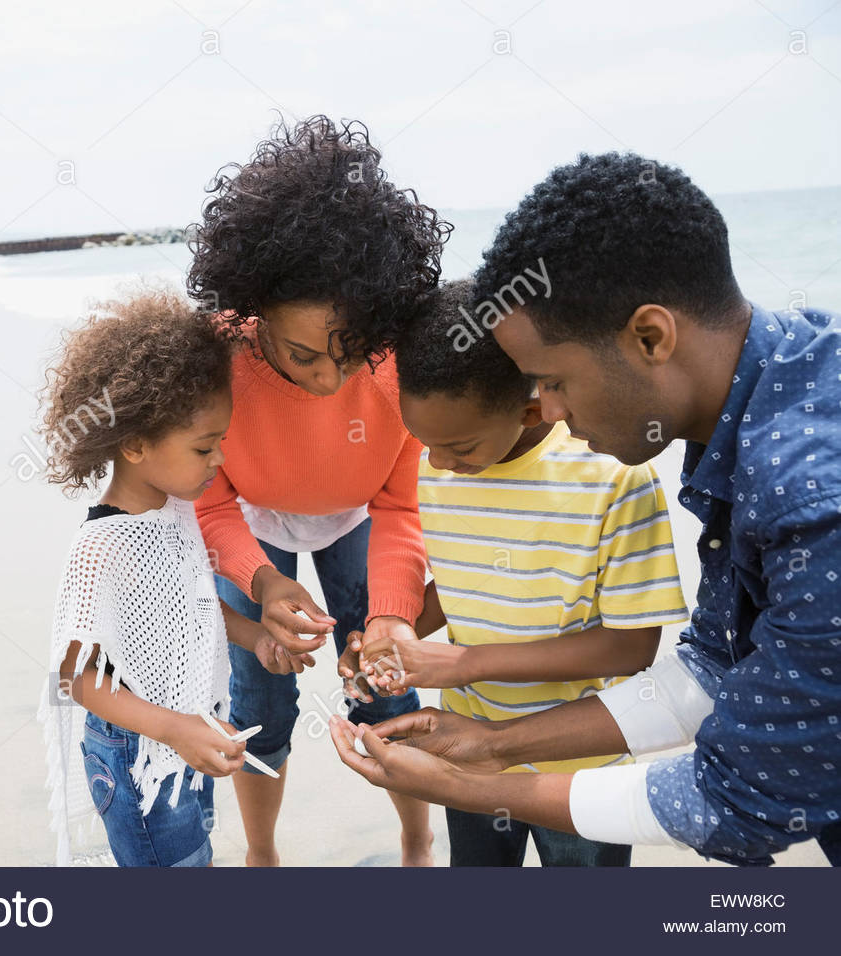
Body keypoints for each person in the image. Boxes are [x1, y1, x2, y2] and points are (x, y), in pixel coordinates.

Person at [331, 152, 841, 866]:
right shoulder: (781, 380)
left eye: (553, 380)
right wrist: (492, 744)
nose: (549, 410)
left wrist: (468, 784)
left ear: (651, 337)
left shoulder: (812, 505)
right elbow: (718, 666)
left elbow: (737, 804)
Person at [339, 278, 689, 866]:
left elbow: (631, 648)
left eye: (460, 447)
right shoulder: (439, 462)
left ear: (531, 407)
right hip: (460, 746)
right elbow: (463, 582)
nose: (441, 462)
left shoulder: (615, 474)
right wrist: (395, 637)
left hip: (581, 768)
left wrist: (468, 662)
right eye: (426, 443)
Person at [187, 115, 450, 866]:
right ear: (254, 306)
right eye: (302, 354)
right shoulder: (219, 357)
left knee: (387, 687)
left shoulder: (398, 362)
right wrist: (261, 581)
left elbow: (402, 506)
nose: (330, 380)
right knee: (260, 698)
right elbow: (206, 499)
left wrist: (396, 617)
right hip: (249, 522)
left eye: (350, 353)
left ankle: (416, 836)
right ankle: (262, 855)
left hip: (359, 519)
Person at [37, 288, 314, 867]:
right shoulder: (102, 544)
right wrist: (173, 729)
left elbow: (194, 607)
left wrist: (257, 638)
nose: (219, 461)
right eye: (203, 447)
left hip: (185, 733)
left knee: (195, 860)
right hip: (137, 753)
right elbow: (77, 675)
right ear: (135, 444)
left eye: (221, 444)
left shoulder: (177, 511)